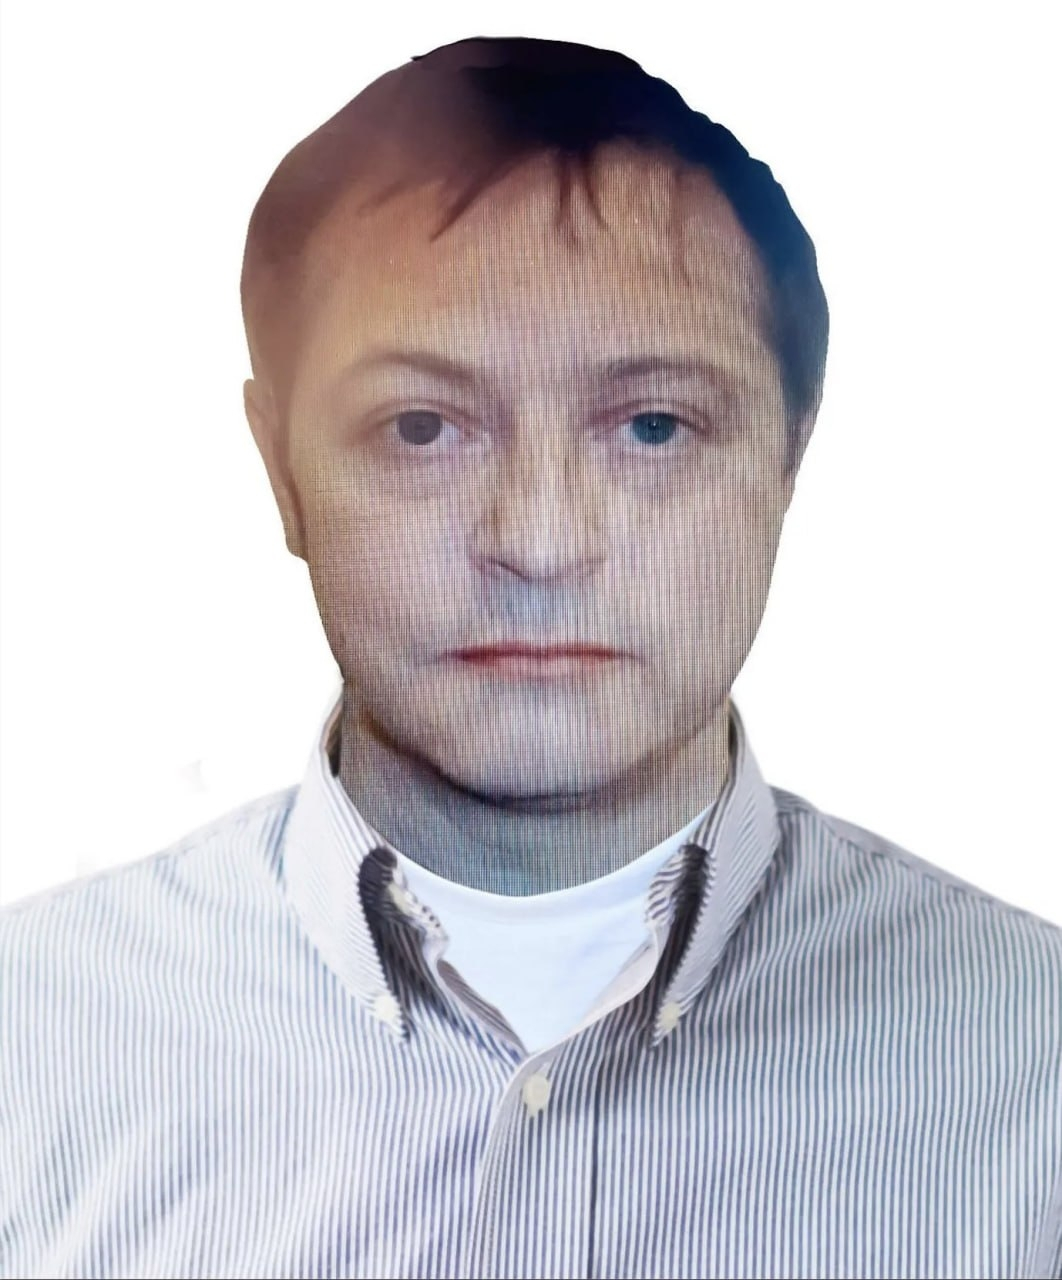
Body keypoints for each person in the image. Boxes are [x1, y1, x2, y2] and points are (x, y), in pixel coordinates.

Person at [1, 34, 1059, 1280]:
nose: (541, 543)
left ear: (790, 454)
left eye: (653, 425)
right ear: (282, 469)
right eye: (421, 426)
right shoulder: (31, 1038)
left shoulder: (1033, 1062)